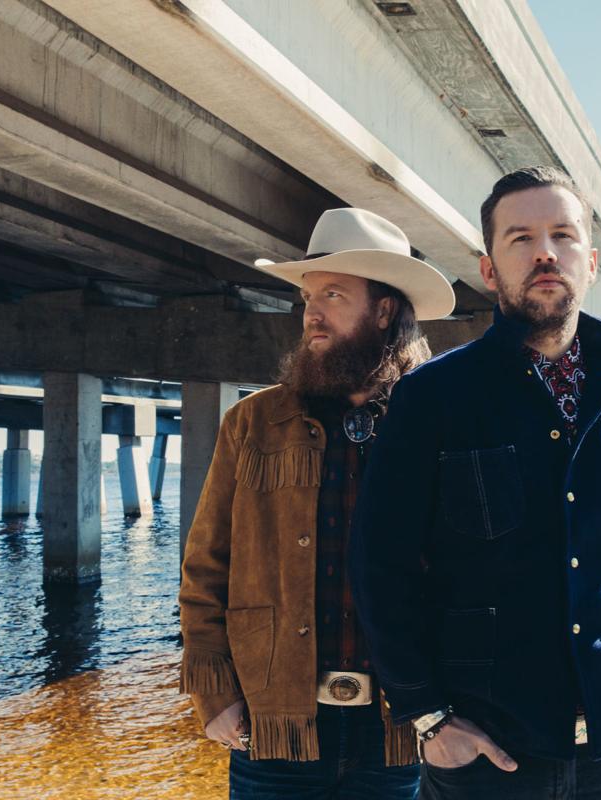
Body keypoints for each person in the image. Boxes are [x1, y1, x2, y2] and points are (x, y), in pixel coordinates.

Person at [349, 166, 601, 800]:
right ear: (489, 270)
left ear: (591, 262)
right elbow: (381, 565)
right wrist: (429, 717)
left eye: (563, 235)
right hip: (487, 753)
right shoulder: (431, 398)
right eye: (520, 238)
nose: (546, 252)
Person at [178, 207, 456, 798]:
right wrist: (214, 695)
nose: (312, 312)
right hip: (273, 726)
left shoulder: (436, 424)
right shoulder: (252, 422)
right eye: (308, 295)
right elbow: (205, 570)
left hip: (401, 726)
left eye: (333, 293)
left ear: (384, 311)